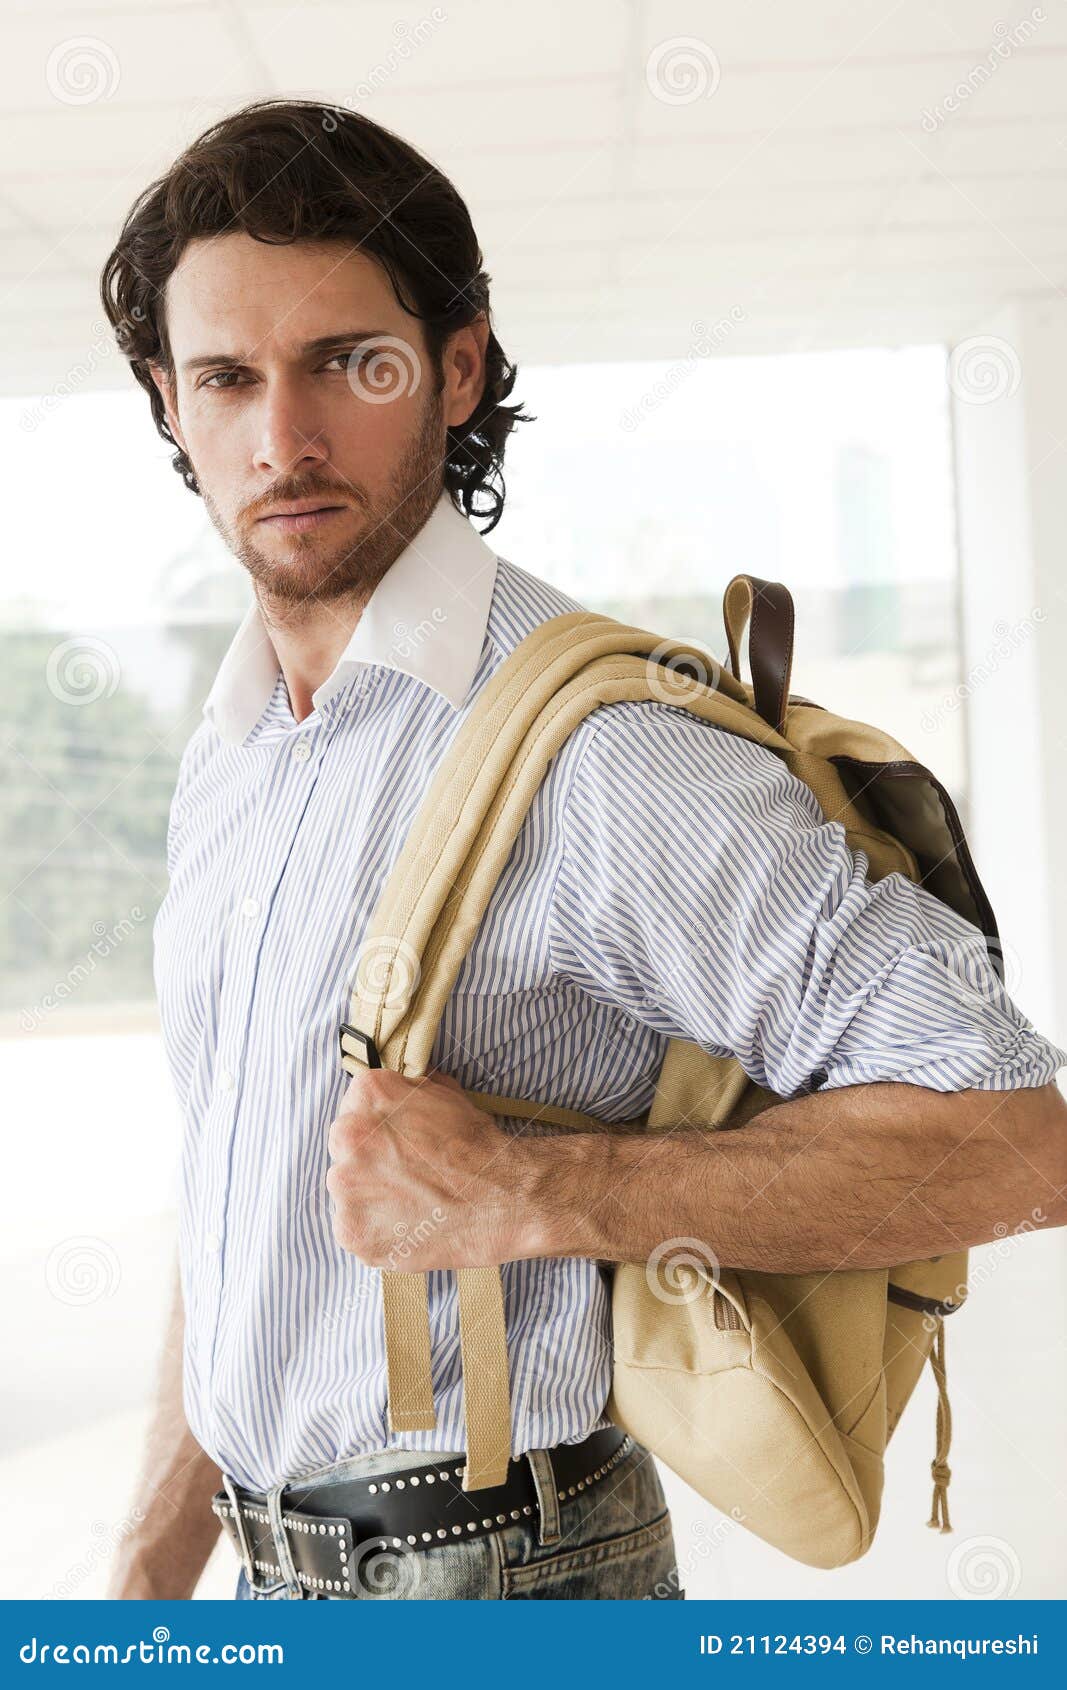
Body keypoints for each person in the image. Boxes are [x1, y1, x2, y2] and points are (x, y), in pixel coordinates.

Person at [99, 98, 1067, 1601]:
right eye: (226, 377)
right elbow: (246, 1211)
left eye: (346, 365)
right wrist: (147, 1582)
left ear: (457, 366)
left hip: (500, 1587)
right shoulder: (232, 758)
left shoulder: (597, 752)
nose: (282, 436)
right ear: (172, 404)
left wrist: (546, 1190)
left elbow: (1020, 1136)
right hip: (266, 1584)